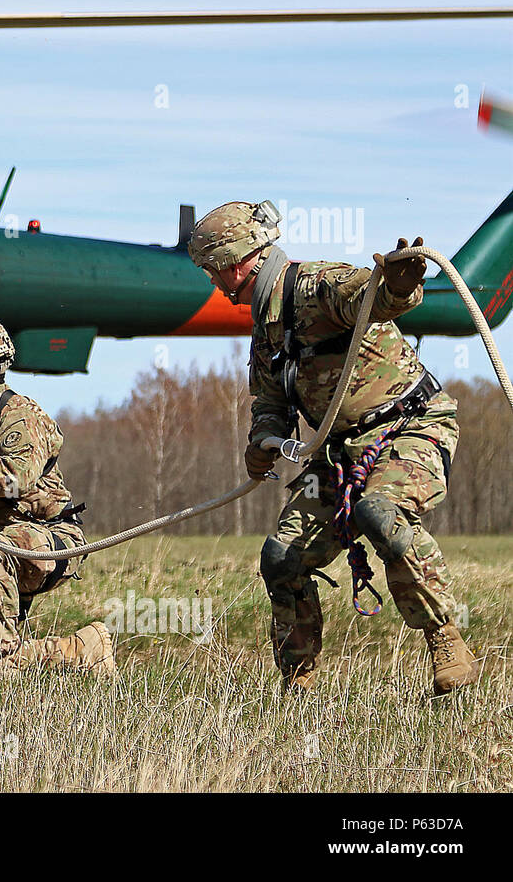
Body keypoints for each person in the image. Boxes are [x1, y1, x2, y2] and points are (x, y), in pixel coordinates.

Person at [187, 200, 476, 694]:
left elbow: (369, 297)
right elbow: (270, 403)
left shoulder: (315, 287)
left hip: (409, 426)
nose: (213, 282)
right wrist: (262, 442)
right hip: (337, 453)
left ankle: (444, 636)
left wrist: (397, 285)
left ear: (236, 261)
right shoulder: (266, 332)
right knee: (282, 559)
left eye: (213, 270)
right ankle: (298, 678)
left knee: (380, 514)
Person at [0, 314, 115, 675]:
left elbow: (18, 478)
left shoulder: (19, 415)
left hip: (49, 539)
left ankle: (6, 663)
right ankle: (78, 651)